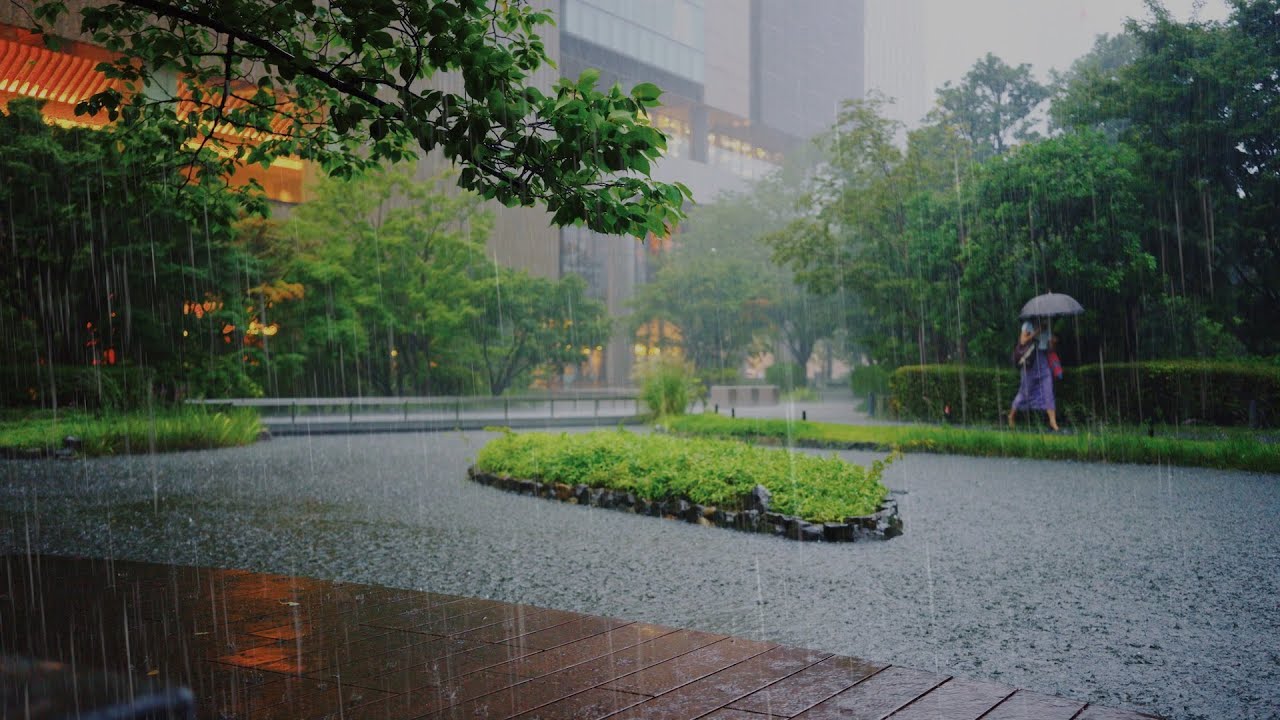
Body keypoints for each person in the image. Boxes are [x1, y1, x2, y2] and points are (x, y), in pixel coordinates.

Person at [1007, 317, 1059, 431]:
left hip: (1043, 361)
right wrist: (1037, 331)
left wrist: (1053, 342)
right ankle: (1011, 416)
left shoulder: (1047, 327)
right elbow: (1022, 341)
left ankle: (1053, 421)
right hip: (1030, 362)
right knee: (1024, 392)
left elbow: (1050, 349)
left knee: (1048, 391)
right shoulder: (1028, 325)